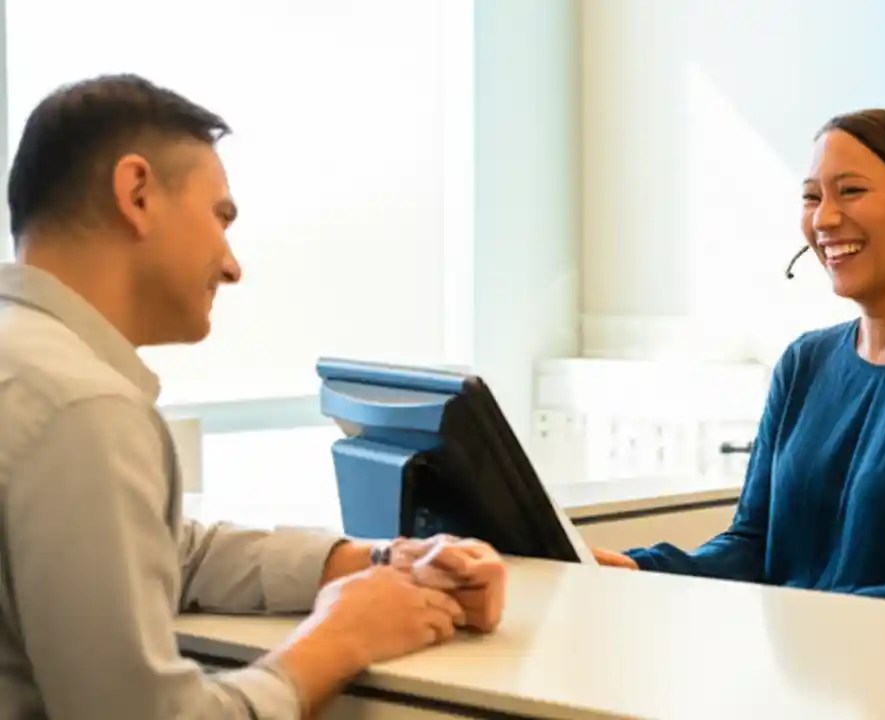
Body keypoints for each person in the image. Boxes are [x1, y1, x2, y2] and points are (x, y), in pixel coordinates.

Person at [0, 74, 506, 720]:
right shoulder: (80, 408)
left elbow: (163, 552)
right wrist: (339, 640)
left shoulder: (27, 367)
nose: (233, 264)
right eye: (220, 217)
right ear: (137, 192)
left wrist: (376, 561)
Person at [595, 108, 885, 615]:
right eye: (812, 197)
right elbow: (753, 546)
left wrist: (813, 619)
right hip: (795, 680)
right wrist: (644, 570)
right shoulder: (803, 363)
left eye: (851, 191)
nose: (824, 219)